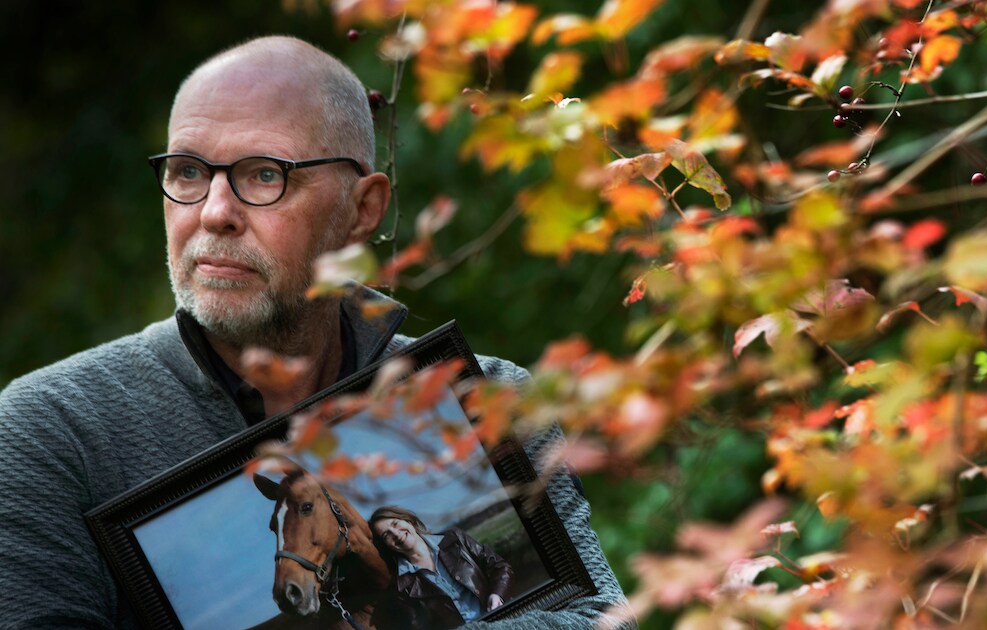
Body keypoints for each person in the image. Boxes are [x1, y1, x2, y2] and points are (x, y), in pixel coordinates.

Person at [0, 35, 628, 629]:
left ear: (363, 210)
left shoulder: (486, 397)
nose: (214, 213)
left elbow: (594, 618)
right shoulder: (52, 433)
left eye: (265, 174)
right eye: (189, 171)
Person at [369, 506, 514, 629]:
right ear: (386, 545)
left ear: (409, 521)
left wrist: (496, 595)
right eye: (386, 535)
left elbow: (500, 567)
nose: (396, 534)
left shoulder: (454, 538)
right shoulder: (401, 586)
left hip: (502, 619)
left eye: (395, 524)